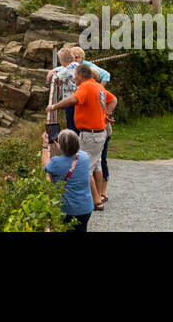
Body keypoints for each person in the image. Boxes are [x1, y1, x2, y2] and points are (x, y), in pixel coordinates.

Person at [48, 63, 109, 210]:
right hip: (99, 133)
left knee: (84, 166)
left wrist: (54, 106)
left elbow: (73, 100)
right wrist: (107, 114)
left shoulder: (85, 87)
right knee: (97, 165)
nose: (74, 78)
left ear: (81, 75)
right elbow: (112, 99)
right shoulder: (98, 86)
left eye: (75, 75)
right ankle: (100, 194)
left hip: (90, 134)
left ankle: (96, 202)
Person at [42, 129, 94, 232]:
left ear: (61, 146)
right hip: (86, 208)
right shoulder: (84, 157)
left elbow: (45, 166)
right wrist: (62, 147)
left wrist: (44, 145)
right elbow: (71, 155)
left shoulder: (56, 163)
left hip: (68, 210)